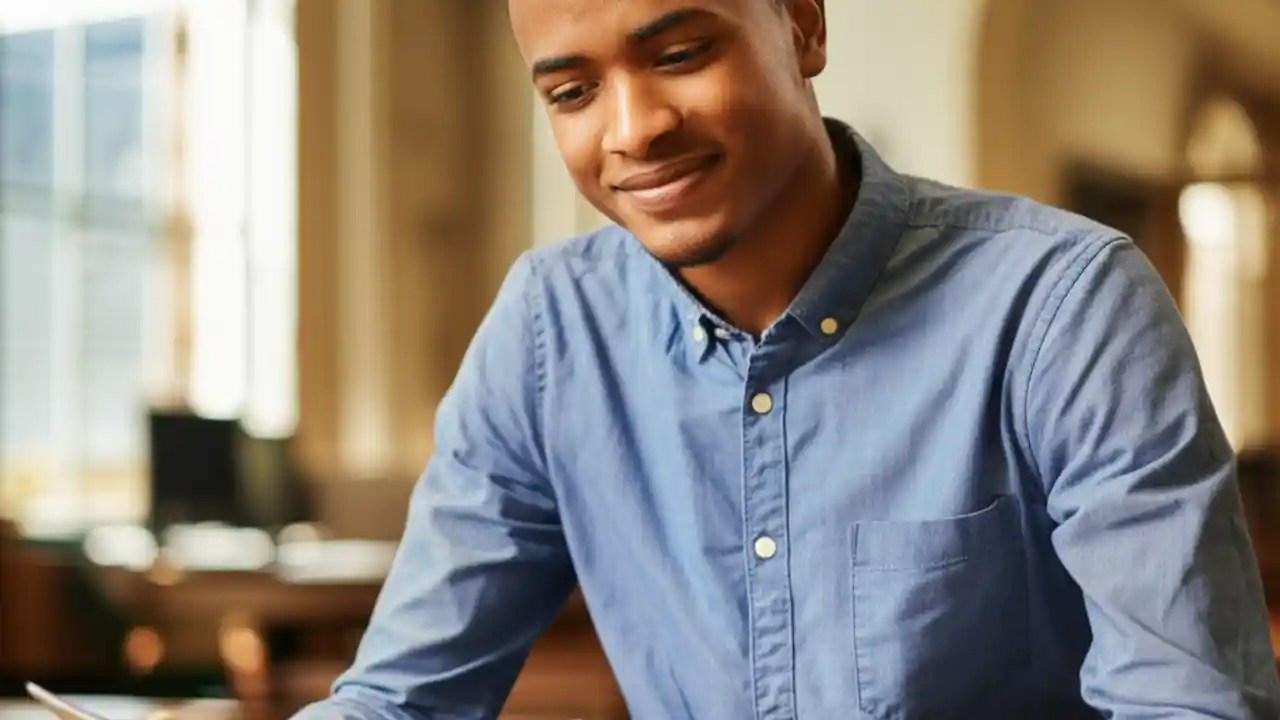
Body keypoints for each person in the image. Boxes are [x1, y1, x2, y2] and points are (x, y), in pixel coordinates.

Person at [297, 0, 1280, 717]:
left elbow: (1185, 704)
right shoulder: (550, 334)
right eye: (571, 91)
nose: (632, 129)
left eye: (679, 54)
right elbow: (400, 700)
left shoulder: (1060, 306)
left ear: (803, 27)